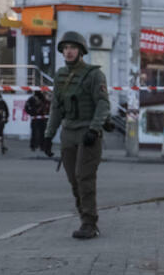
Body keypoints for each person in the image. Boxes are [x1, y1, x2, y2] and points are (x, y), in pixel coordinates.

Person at [44, 31, 111, 240]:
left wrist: (94, 129)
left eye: (72, 47)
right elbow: (56, 107)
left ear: (81, 51)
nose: (68, 51)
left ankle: (90, 223)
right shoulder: (60, 75)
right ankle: (84, 217)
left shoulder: (94, 75)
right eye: (65, 48)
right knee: (74, 181)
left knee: (84, 178)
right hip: (68, 134)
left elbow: (103, 104)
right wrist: (48, 135)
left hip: (88, 133)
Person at [25, 90, 52, 156]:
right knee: (34, 132)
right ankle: (33, 146)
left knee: (42, 132)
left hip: (43, 119)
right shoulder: (31, 99)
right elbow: (27, 108)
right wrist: (32, 112)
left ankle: (42, 146)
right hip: (35, 118)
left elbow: (48, 106)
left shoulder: (43, 99)